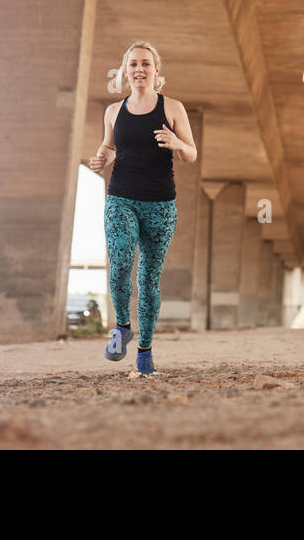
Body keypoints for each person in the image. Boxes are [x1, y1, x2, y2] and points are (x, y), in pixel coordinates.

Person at [89, 41, 198, 375]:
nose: (139, 69)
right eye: (133, 64)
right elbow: (108, 145)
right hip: (120, 197)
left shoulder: (173, 108)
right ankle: (122, 326)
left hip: (161, 205)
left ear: (156, 70)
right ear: (126, 69)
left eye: (146, 64)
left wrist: (177, 143)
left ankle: (145, 352)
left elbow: (191, 153)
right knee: (120, 263)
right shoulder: (113, 111)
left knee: (148, 279)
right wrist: (101, 158)